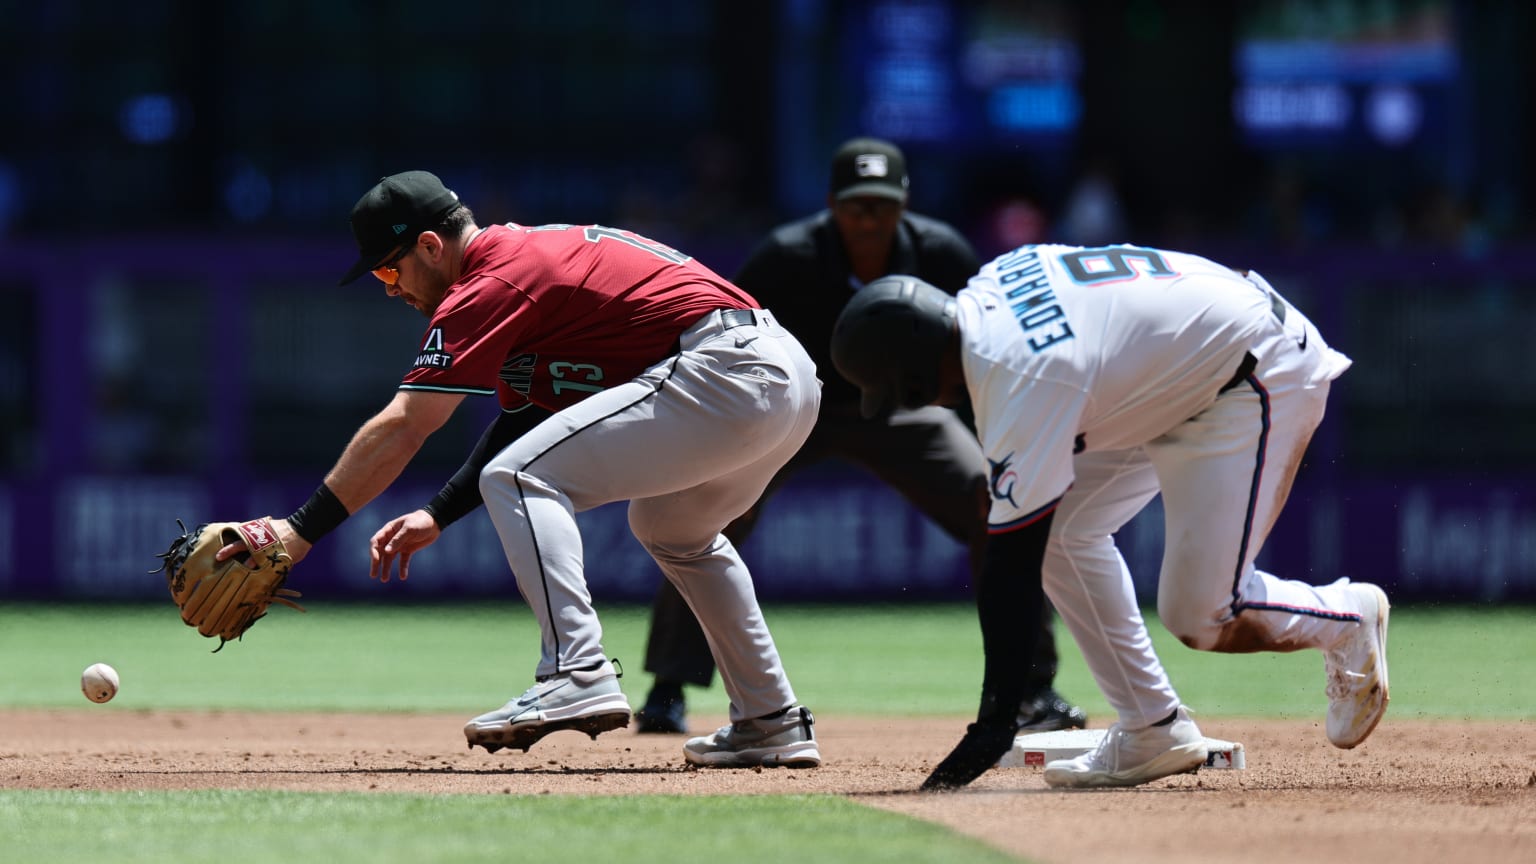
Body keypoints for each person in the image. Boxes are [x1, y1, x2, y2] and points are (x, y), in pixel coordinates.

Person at [249, 170, 825, 769]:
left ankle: (576, 670)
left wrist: (299, 533)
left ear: (429, 246)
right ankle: (770, 719)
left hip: (725, 371)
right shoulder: (520, 262)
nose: (389, 288)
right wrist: (438, 514)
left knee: (518, 478)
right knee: (673, 531)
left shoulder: (490, 282)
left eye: (389, 269)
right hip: (782, 379)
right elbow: (526, 417)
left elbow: (408, 423)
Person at [827, 246, 1389, 790]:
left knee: (1204, 614)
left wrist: (994, 721)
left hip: (1256, 371)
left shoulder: (1018, 378)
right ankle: (1152, 727)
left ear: (916, 376)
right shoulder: (995, 281)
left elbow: (1009, 567)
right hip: (1185, 363)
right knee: (1062, 534)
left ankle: (1346, 616)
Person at [634, 137, 1085, 736]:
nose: (867, 218)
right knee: (701, 519)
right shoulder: (788, 256)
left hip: (901, 410)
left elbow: (980, 347)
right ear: (831, 204)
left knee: (995, 502)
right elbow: (723, 337)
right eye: (855, 205)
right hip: (790, 410)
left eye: (879, 204)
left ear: (903, 203)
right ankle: (669, 687)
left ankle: (1034, 689)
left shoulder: (940, 252)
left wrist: (1003, 443)